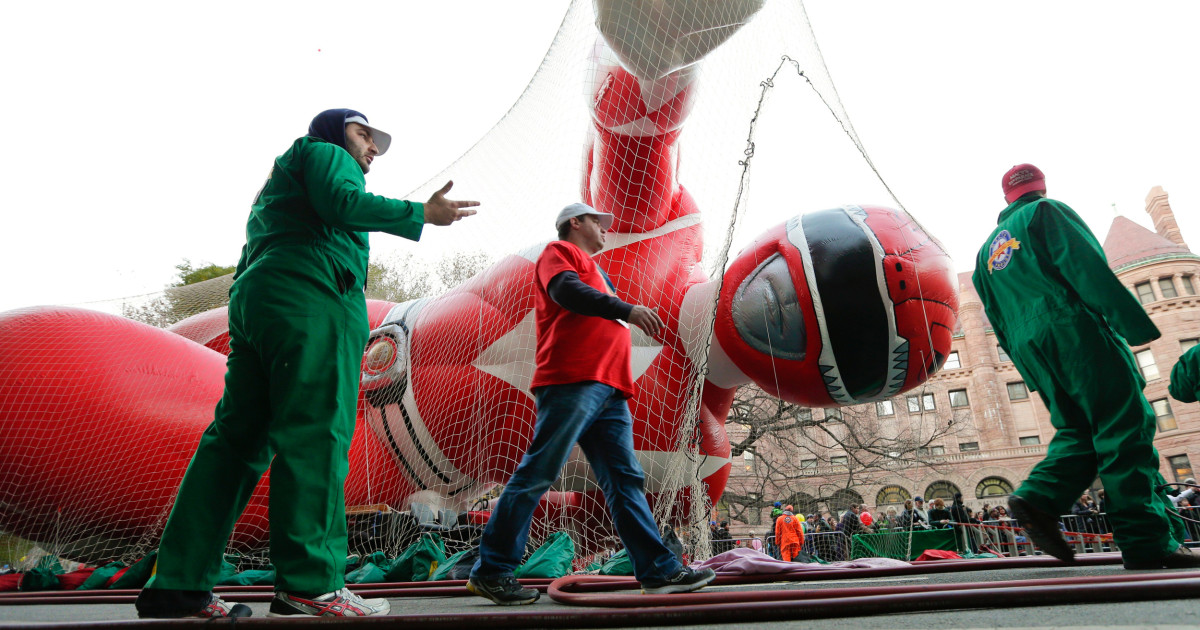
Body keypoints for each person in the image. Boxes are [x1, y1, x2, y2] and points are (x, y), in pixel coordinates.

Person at [134, 109, 479, 619]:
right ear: (334, 131)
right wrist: (421, 214)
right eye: (363, 134)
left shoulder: (285, 182)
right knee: (317, 435)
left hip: (260, 300)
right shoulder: (323, 153)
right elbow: (344, 203)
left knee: (234, 444)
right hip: (310, 299)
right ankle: (310, 585)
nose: (372, 149)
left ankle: (178, 585)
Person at [466, 203, 716, 605]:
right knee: (539, 471)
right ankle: (492, 570)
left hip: (610, 390)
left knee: (624, 481)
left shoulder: (599, 272)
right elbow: (565, 291)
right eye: (598, 223)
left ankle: (658, 571)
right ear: (575, 223)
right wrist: (626, 309)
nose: (605, 230)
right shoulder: (558, 253)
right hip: (573, 380)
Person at [972, 164, 1195, 569]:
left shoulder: (985, 254)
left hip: (1033, 349)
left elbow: (998, 322)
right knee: (1124, 426)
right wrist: (1132, 325)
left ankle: (1038, 496)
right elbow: (1086, 267)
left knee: (1079, 430)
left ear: (1007, 198)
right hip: (1073, 329)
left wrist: (1035, 375)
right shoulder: (1046, 212)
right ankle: (1147, 541)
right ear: (1040, 188)